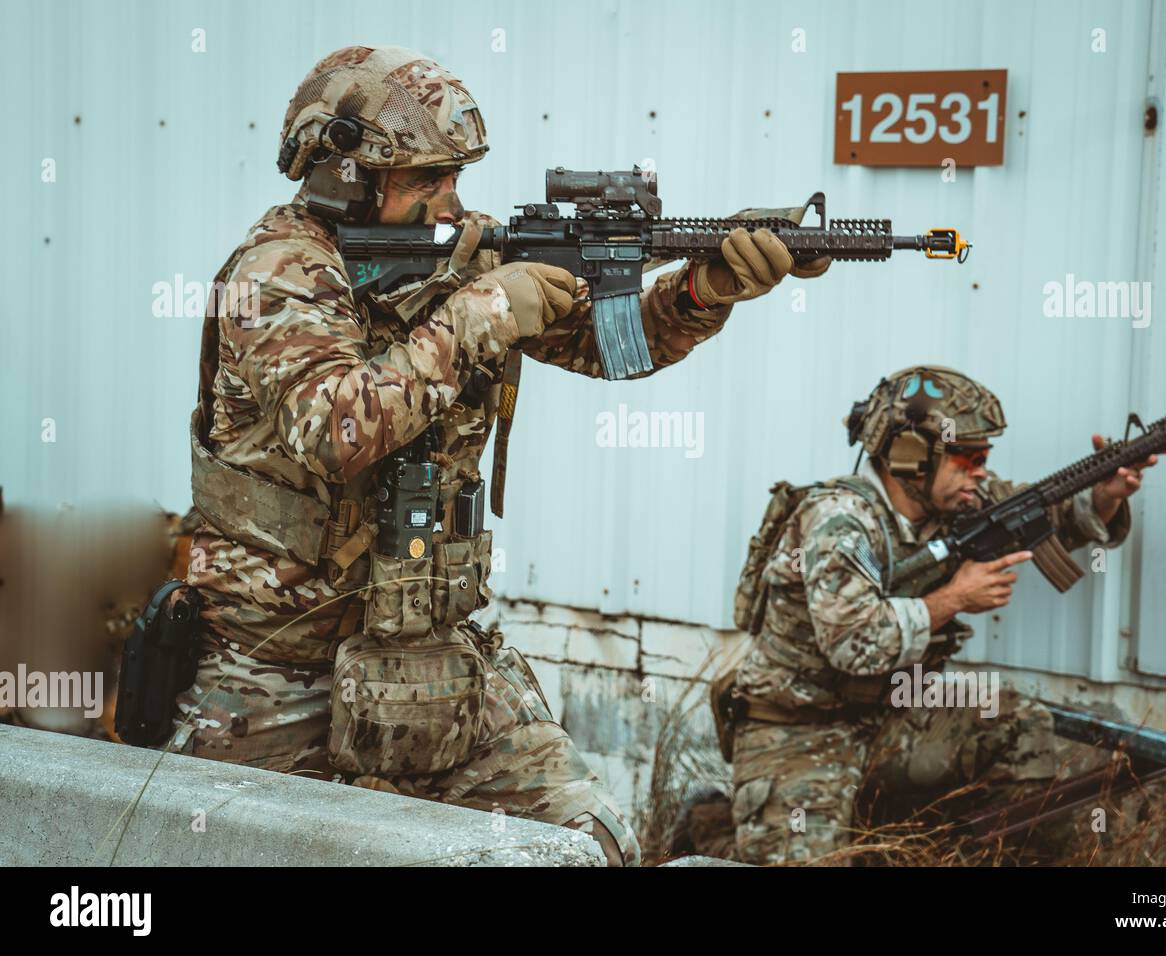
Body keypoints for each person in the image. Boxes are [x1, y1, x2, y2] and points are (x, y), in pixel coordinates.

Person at [170, 45, 829, 866]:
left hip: (426, 643)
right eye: (426, 180)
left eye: (455, 175)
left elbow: (607, 344)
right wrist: (481, 313)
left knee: (587, 844)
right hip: (275, 665)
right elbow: (335, 427)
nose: (453, 200)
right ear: (344, 175)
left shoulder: (464, 255)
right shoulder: (277, 274)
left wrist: (703, 290)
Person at [725, 365, 1159, 864]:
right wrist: (954, 598)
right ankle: (715, 827)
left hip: (893, 715)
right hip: (799, 728)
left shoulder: (960, 499)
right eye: (968, 457)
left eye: (985, 456)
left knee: (1016, 723)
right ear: (911, 458)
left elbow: (1046, 516)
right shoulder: (839, 521)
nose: (981, 470)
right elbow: (854, 645)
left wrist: (1105, 495)